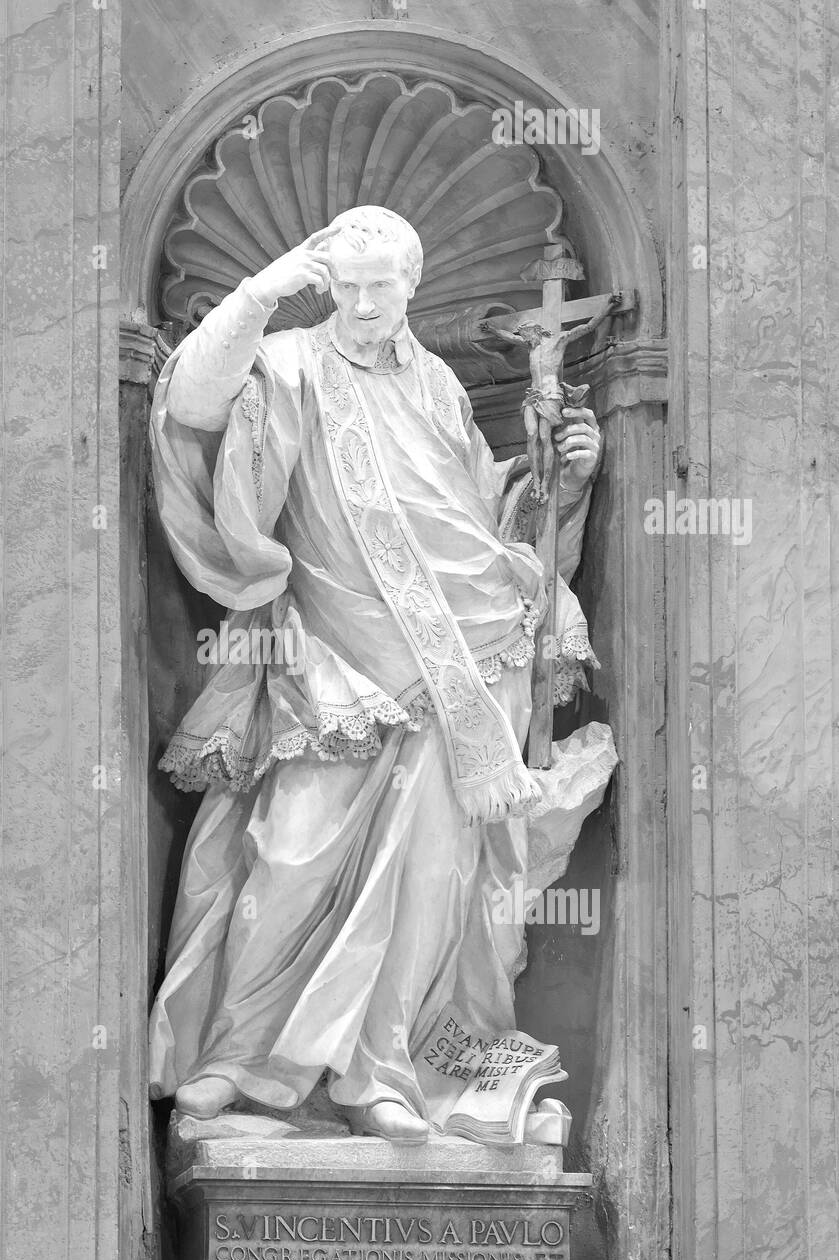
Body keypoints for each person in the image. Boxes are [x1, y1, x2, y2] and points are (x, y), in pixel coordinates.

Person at [149, 206, 603, 1143]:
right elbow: (191, 405)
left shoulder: (437, 384)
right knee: (289, 855)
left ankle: (381, 1069)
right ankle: (239, 1058)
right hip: (333, 653)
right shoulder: (286, 363)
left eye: (379, 288)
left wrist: (560, 475)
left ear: (412, 285)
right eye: (346, 288)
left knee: (431, 878)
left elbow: (474, 515)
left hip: (461, 660)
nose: (361, 305)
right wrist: (258, 295)